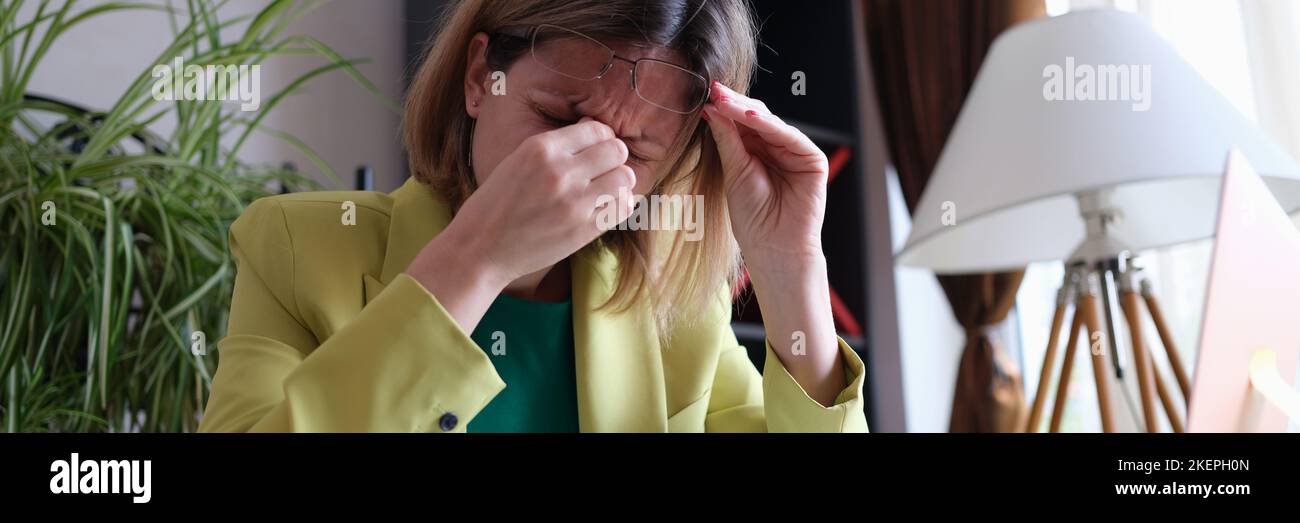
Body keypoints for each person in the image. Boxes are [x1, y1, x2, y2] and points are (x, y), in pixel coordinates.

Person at [199, 0, 867, 433]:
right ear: (478, 75)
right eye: (556, 118)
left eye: (632, 152)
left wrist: (791, 269)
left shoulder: (679, 309)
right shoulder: (295, 247)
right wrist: (477, 257)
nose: (576, 166)